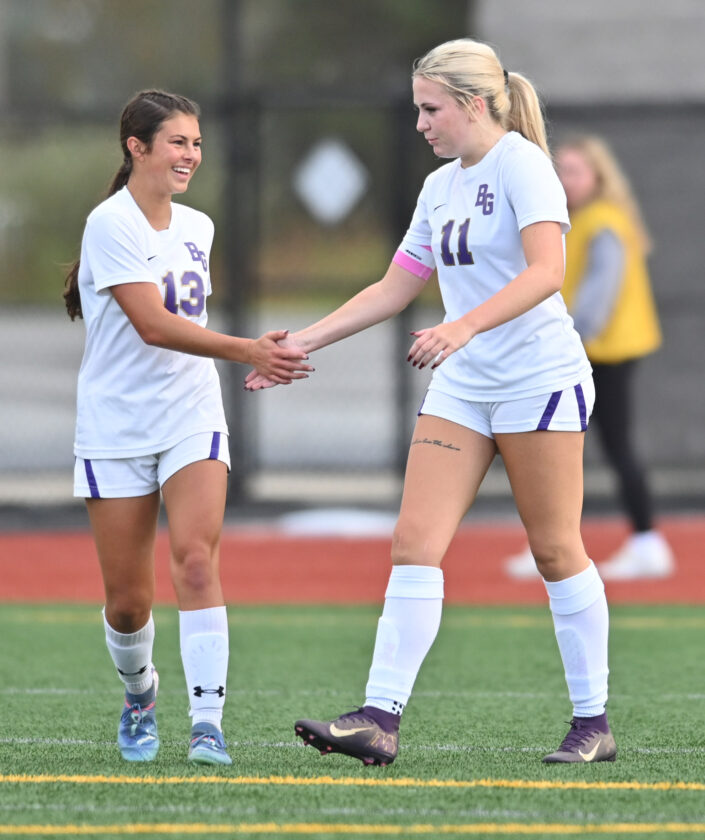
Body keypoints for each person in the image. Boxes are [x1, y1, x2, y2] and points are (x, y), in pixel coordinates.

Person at [246, 40, 616, 765]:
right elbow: (393, 288)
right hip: (462, 386)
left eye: (429, 108)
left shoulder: (522, 165)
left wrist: (462, 325)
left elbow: (547, 272)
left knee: (553, 549)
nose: (419, 123)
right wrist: (300, 343)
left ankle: (591, 723)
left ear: (472, 104)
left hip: (536, 379)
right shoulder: (438, 185)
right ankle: (377, 719)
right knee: (414, 545)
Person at [64, 89, 311, 765]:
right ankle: (141, 695)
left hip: (190, 413)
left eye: (197, 143)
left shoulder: (197, 226)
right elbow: (152, 325)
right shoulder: (109, 224)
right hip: (115, 424)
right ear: (135, 147)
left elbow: (183, 332)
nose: (191, 155)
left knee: (197, 562)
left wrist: (251, 354)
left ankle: (208, 722)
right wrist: (248, 349)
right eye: (177, 142)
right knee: (126, 603)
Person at [505, 134, 673, 581]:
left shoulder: (602, 223)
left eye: (575, 171)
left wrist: (563, 343)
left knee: (596, 447)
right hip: (593, 351)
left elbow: (599, 298)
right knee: (574, 448)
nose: (566, 180)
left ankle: (644, 541)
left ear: (599, 176)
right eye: (562, 172)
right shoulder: (582, 221)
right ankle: (563, 542)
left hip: (602, 353)